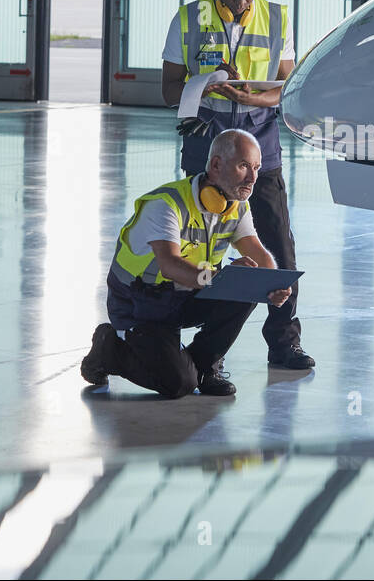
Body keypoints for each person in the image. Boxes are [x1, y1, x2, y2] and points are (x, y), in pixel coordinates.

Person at [159, 0, 313, 371]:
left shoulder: (277, 18)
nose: (242, 0)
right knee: (201, 248)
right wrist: (202, 88)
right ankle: (210, 353)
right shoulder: (188, 20)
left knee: (278, 245)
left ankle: (284, 342)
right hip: (207, 145)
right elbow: (169, 91)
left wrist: (252, 98)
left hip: (259, 144)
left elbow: (287, 87)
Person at [81, 130, 292, 398]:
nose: (252, 178)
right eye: (243, 166)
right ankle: (109, 349)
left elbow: (260, 254)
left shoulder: (236, 207)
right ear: (216, 165)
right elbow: (169, 265)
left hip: (183, 297)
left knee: (246, 284)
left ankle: (204, 367)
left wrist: (271, 284)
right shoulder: (166, 205)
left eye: (256, 168)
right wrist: (220, 278)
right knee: (178, 384)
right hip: (140, 304)